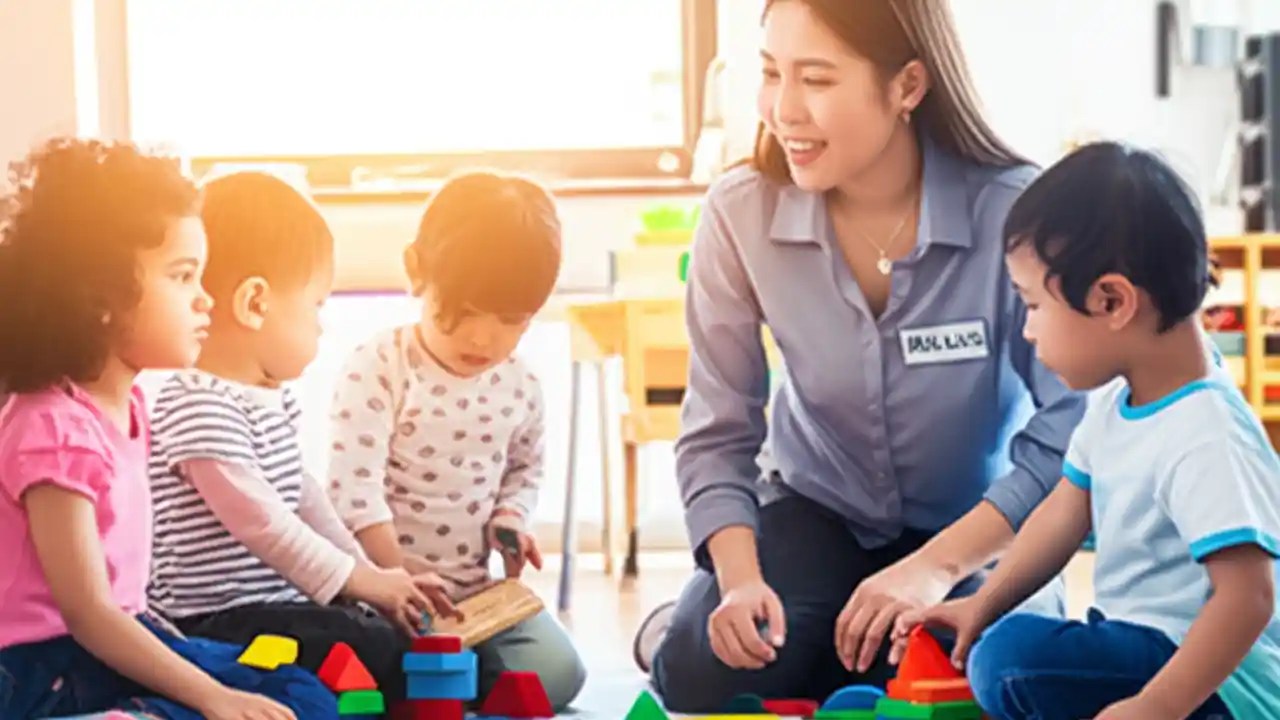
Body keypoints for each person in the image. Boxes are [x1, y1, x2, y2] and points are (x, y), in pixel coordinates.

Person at [643, 0, 1087, 712]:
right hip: (815, 508)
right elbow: (719, 430)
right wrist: (736, 582)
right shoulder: (739, 213)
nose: (782, 109)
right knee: (708, 669)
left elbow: (1073, 429)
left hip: (972, 527)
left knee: (983, 681)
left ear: (908, 86)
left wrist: (936, 569)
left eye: (815, 79)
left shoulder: (1016, 211)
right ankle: (685, 624)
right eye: (770, 73)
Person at [896, 143, 1280, 720]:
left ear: (1112, 301)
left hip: (1215, 685)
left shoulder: (1205, 431)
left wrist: (1157, 706)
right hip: (1140, 646)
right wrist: (985, 604)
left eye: (1033, 305)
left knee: (1012, 659)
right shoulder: (1114, 404)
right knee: (1003, 641)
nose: (1027, 330)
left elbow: (1249, 598)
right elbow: (1063, 513)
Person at [0, 138, 336, 719]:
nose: (205, 300)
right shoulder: (54, 428)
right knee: (229, 703)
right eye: (183, 277)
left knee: (297, 693)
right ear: (100, 297)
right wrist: (210, 694)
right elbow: (88, 613)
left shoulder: (126, 409)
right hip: (42, 670)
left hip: (114, 641)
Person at [145, 171, 457, 704]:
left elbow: (303, 496)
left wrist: (374, 577)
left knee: (378, 632)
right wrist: (362, 583)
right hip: (210, 622)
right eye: (315, 305)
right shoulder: (198, 403)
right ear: (256, 304)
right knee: (365, 645)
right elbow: (262, 522)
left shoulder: (267, 398)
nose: (321, 327)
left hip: (272, 604)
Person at [328, 171, 587, 712]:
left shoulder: (521, 383)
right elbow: (354, 492)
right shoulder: (380, 367)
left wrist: (511, 518)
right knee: (357, 662)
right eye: (463, 312)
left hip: (473, 600)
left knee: (559, 673)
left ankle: (452, 682)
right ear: (416, 271)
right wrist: (395, 575)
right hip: (377, 597)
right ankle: (439, 682)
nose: (482, 338)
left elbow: (524, 469)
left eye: (511, 321)